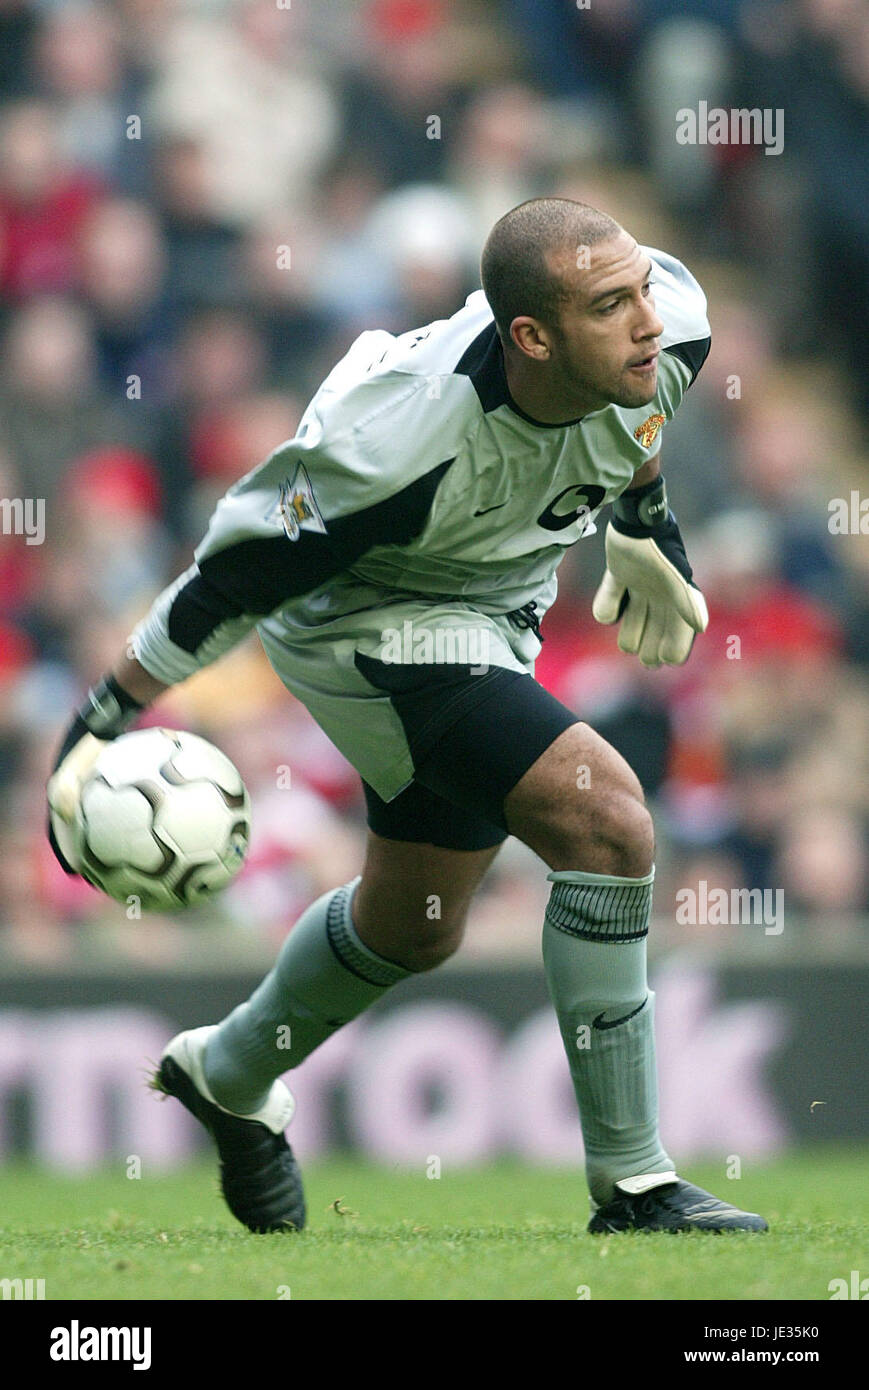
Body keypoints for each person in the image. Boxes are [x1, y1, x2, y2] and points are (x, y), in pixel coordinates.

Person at [48, 198, 767, 1235]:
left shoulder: (672, 325)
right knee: (604, 819)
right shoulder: (387, 448)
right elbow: (228, 579)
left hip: (491, 606)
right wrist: (101, 717)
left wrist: (642, 517)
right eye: (610, 306)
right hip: (365, 626)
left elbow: (641, 404)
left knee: (412, 923)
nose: (645, 322)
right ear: (529, 336)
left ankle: (229, 1071)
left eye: (640, 290)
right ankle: (635, 1184)